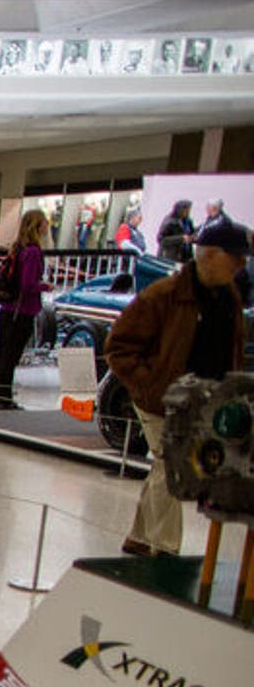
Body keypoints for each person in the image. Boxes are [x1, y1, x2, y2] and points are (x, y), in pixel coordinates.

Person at [107, 221, 248, 556]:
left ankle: (141, 537)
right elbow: (118, 346)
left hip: (203, 400)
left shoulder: (229, 296)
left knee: (164, 463)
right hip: (162, 400)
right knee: (172, 465)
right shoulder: (164, 295)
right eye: (235, 257)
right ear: (209, 255)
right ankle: (164, 548)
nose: (241, 264)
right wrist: (150, 385)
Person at [0, 208, 51, 409]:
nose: (47, 226)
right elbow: (27, 284)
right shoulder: (32, 252)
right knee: (10, 355)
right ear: (37, 225)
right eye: (44, 222)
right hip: (20, 311)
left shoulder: (18, 248)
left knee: (3, 352)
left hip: (9, 308)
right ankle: (3, 396)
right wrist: (45, 286)